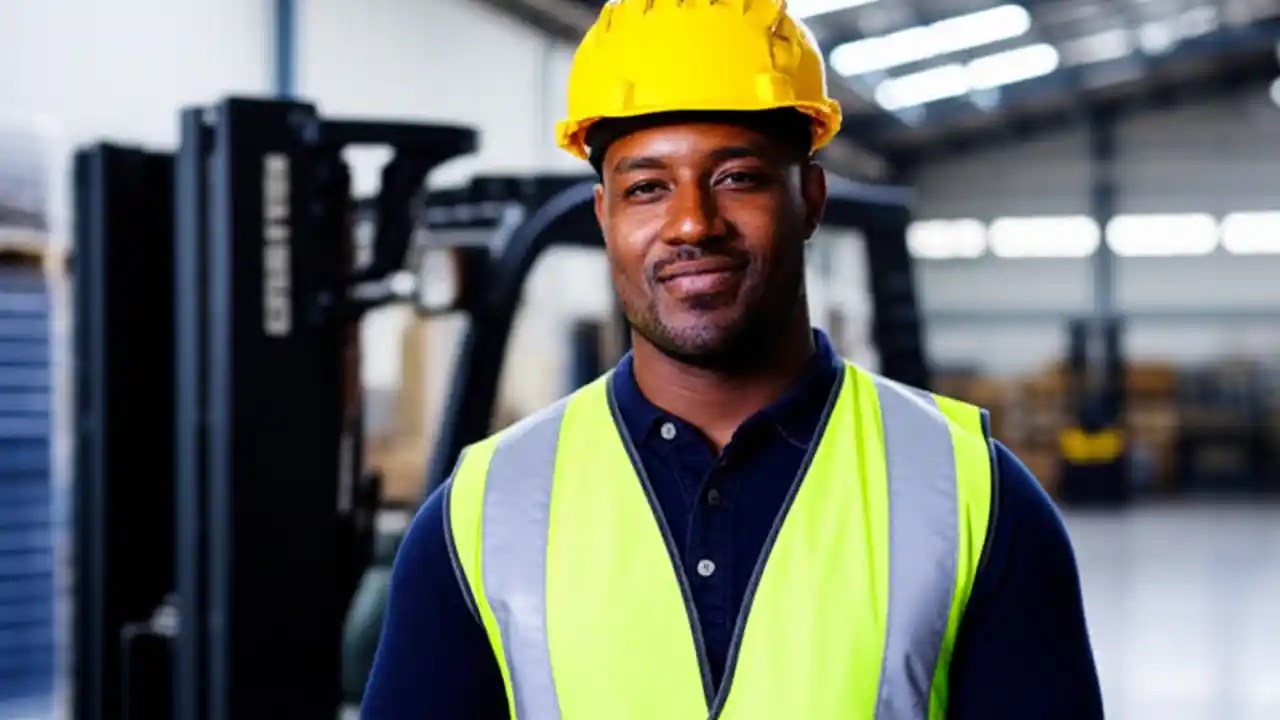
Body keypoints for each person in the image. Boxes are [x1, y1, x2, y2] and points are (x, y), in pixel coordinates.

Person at [362, 1, 1103, 717]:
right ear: (606, 219)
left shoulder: (973, 495)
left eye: (735, 178)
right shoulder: (483, 512)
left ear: (810, 197)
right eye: (647, 188)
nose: (692, 223)